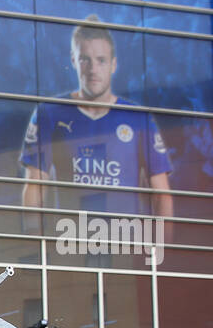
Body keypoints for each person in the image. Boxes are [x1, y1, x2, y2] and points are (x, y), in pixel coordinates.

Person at [20, 16, 173, 244]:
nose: (93, 69)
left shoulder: (138, 118)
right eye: (85, 60)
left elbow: (161, 194)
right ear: (73, 60)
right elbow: (34, 186)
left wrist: (165, 254)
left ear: (113, 64)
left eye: (101, 60)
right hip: (70, 246)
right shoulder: (50, 113)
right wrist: (36, 250)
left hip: (125, 250)